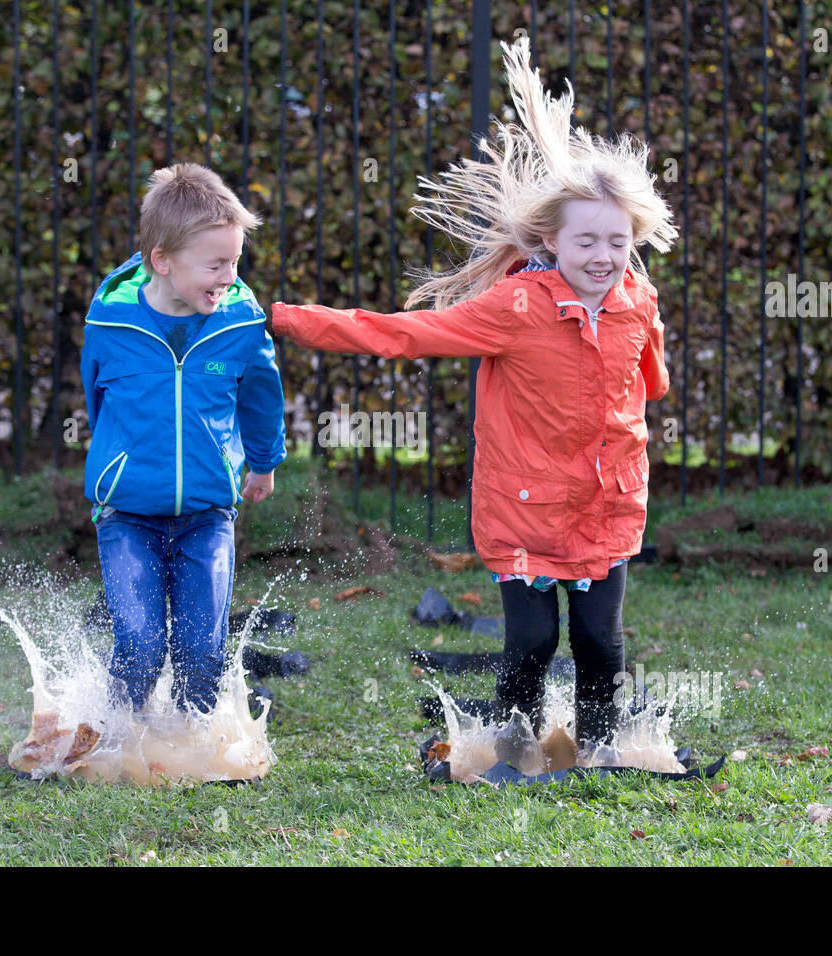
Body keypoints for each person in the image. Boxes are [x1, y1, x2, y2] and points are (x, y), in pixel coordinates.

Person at [267, 37, 676, 753]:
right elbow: (403, 335)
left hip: (607, 506)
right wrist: (286, 319)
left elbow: (650, 378)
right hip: (524, 510)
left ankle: (602, 750)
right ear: (552, 237)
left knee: (602, 644)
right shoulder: (515, 307)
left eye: (617, 242)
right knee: (532, 640)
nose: (602, 257)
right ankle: (511, 749)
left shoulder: (637, 302)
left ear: (634, 240)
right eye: (586, 242)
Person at [81, 163, 286, 714]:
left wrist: (263, 464)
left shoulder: (239, 326)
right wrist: (115, 465)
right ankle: (117, 736)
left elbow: (262, 400)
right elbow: (97, 403)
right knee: (141, 646)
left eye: (236, 261)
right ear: (162, 261)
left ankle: (195, 737)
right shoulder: (110, 326)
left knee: (202, 650)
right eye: (216, 264)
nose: (229, 276)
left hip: (208, 514)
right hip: (127, 514)